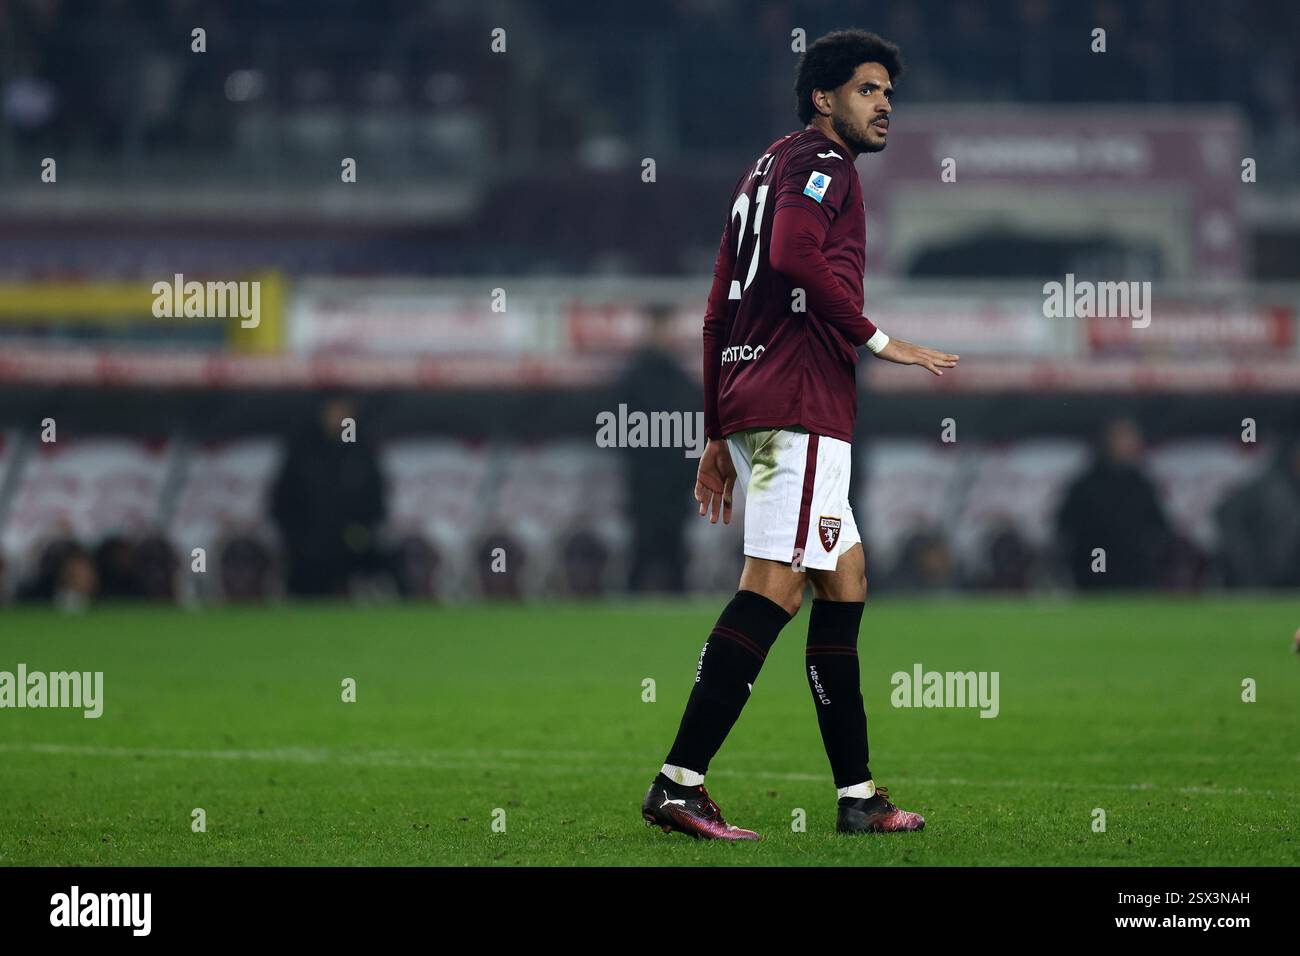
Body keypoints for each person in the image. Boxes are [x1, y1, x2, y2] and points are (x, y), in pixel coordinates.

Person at [640, 29, 958, 840]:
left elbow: (717, 310)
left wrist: (717, 429)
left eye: (889, 91)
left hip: (757, 398)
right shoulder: (825, 165)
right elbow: (792, 253)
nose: (884, 104)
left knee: (843, 578)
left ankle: (857, 797)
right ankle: (678, 782)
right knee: (776, 584)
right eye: (866, 89)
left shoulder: (763, 168)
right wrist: (879, 340)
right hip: (802, 401)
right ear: (823, 98)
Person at [270, 393, 388, 597]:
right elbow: (282, 502)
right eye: (335, 411)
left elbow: (376, 500)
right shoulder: (302, 449)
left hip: (352, 548)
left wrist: (362, 531)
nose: (341, 417)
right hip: (307, 548)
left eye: (346, 411)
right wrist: (299, 538)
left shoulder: (360, 450)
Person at [1055, 418, 1170, 590]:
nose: (1127, 444)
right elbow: (1066, 524)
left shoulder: (1141, 484)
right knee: (1099, 593)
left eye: (1130, 439)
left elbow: (1159, 525)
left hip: (1132, 564)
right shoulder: (1087, 484)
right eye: (1121, 438)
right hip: (1096, 557)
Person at [1216, 437, 1300, 589]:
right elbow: (1225, 514)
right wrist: (1245, 561)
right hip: (1261, 579)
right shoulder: (1269, 486)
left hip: (1290, 581)